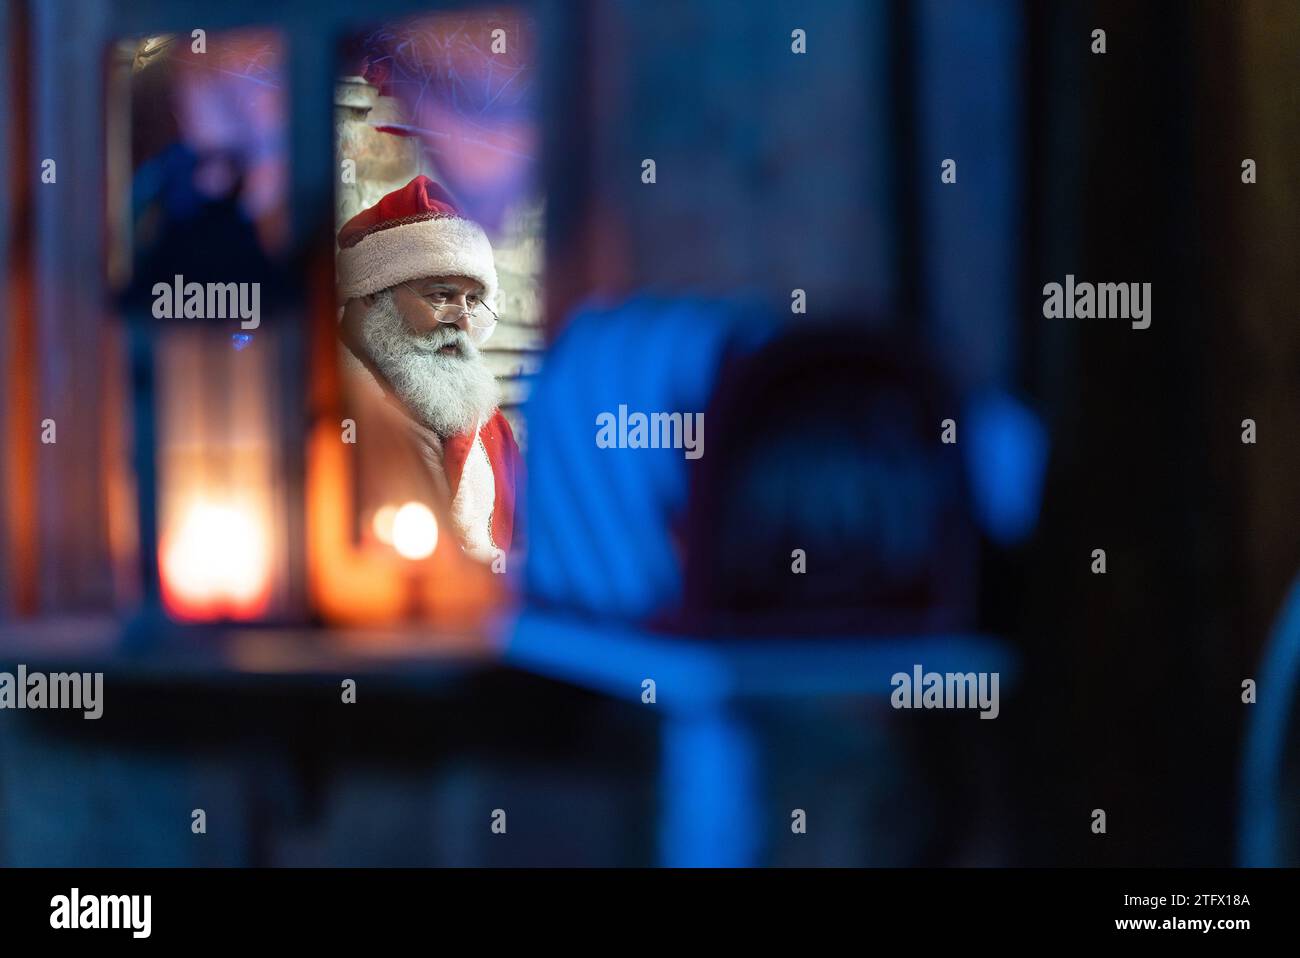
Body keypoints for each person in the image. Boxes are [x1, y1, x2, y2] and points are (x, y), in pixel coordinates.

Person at [335, 175, 521, 562]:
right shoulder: (323, 414)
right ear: (371, 293)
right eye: (441, 295)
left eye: (472, 301)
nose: (464, 322)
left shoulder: (494, 431)